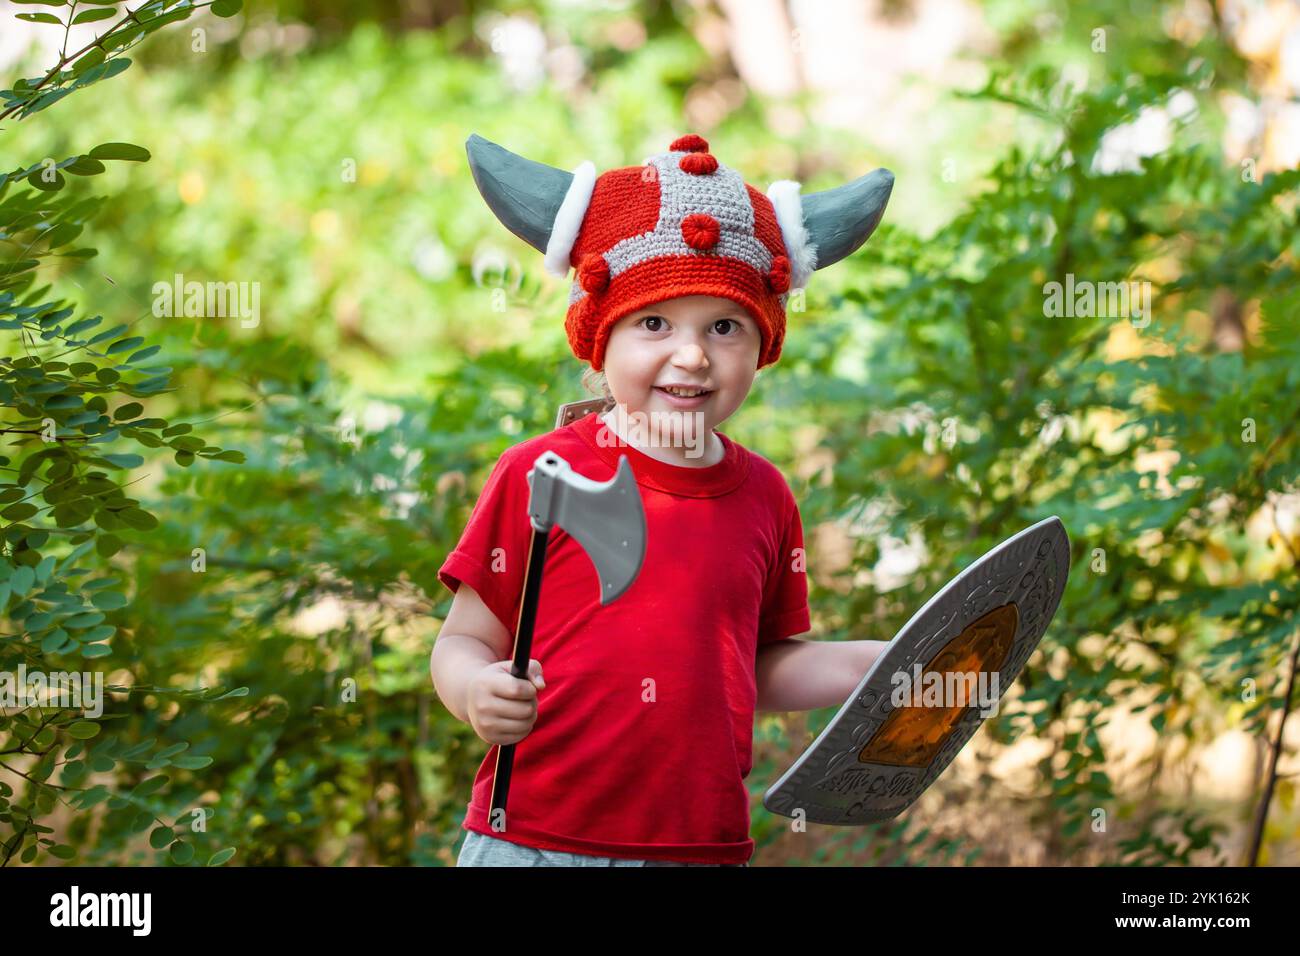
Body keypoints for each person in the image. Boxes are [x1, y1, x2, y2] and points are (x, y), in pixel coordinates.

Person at [432, 133, 895, 866]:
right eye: (654, 323)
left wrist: (874, 664)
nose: (692, 355)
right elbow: (462, 641)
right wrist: (473, 691)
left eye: (725, 326)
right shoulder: (539, 473)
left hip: (697, 847)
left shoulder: (765, 496)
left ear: (763, 344)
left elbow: (756, 664)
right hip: (533, 841)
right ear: (600, 338)